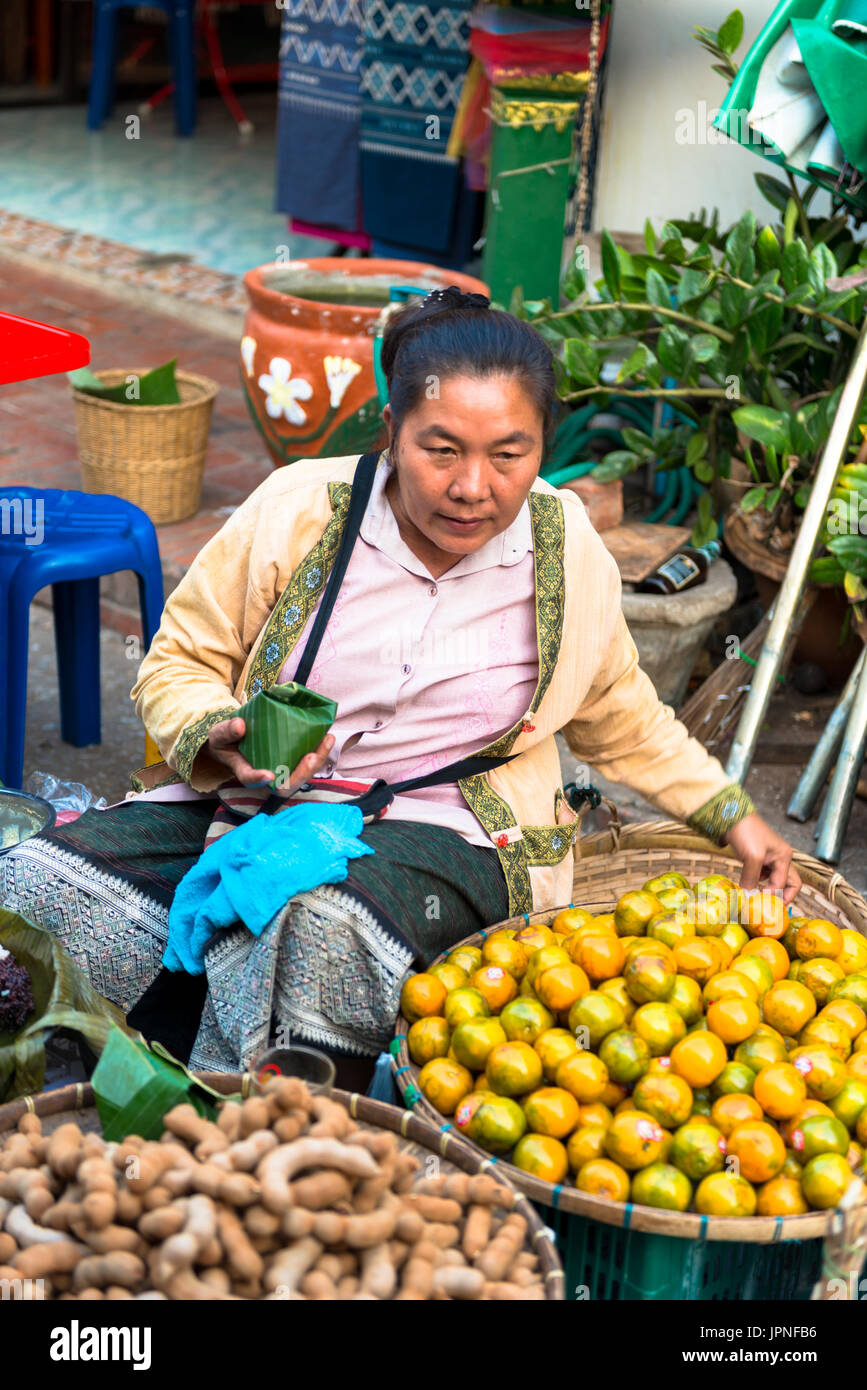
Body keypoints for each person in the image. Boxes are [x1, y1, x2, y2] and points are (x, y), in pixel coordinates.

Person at [1, 286, 800, 1085]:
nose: (472, 486)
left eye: (508, 454)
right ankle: (73, 1101)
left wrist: (736, 821)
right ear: (391, 434)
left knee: (312, 925)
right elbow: (179, 661)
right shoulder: (300, 509)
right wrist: (219, 732)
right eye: (441, 449)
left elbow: (622, 713)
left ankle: (258, 1134)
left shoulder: (565, 550)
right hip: (256, 802)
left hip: (449, 828)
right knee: (34, 888)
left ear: (542, 450)